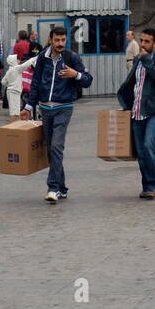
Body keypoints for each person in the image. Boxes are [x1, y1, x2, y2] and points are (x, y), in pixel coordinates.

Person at [28, 24, 93, 203]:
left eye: (63, 40)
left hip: (64, 108)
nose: (60, 43)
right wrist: (28, 106)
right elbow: (35, 82)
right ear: (50, 40)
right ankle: (62, 188)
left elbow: (88, 80)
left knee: (56, 146)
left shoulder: (72, 57)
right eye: (57, 40)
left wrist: (75, 74)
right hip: (45, 109)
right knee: (50, 150)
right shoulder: (42, 57)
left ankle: (53, 188)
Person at [116, 27, 155, 199]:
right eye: (142, 40)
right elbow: (132, 83)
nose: (143, 44)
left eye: (147, 41)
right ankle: (147, 186)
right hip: (137, 111)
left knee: (149, 146)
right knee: (140, 151)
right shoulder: (138, 60)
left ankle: (152, 185)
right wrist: (126, 103)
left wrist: (147, 59)